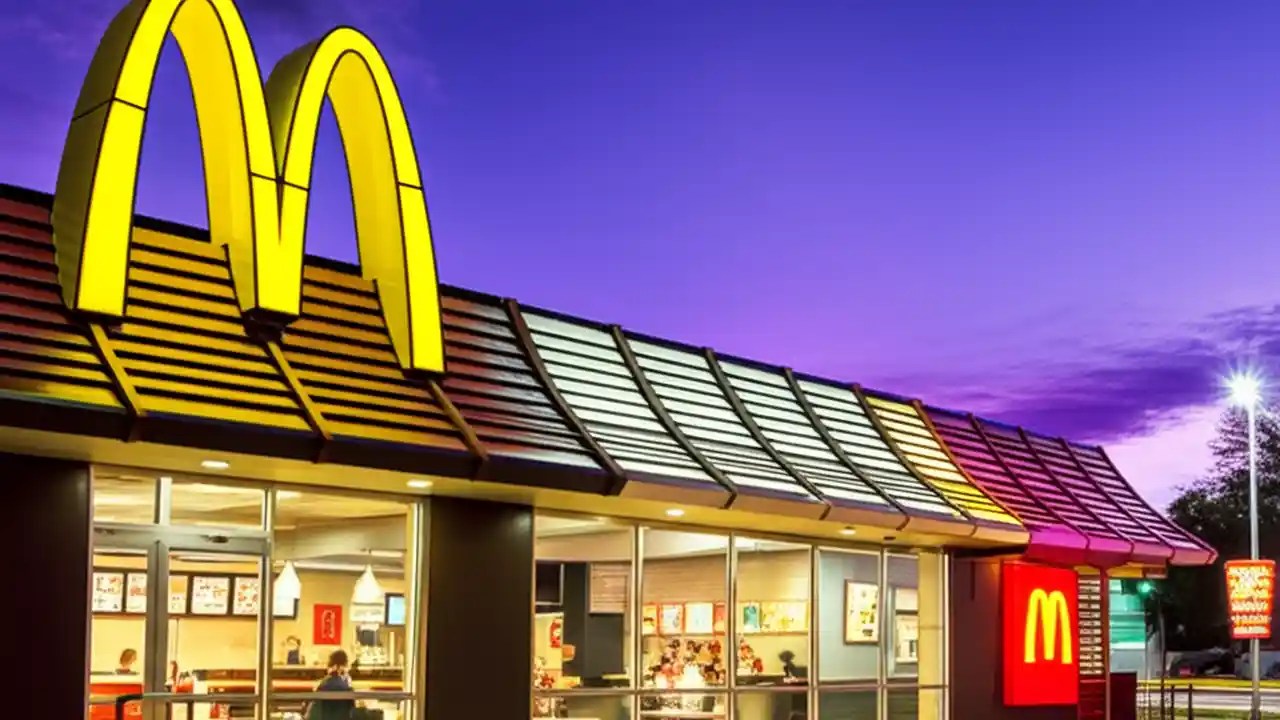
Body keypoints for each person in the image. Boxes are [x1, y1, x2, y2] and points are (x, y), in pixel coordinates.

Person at [305, 650, 355, 720]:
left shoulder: (323, 684)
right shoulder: (346, 686)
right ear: (341, 667)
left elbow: (314, 707)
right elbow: (352, 706)